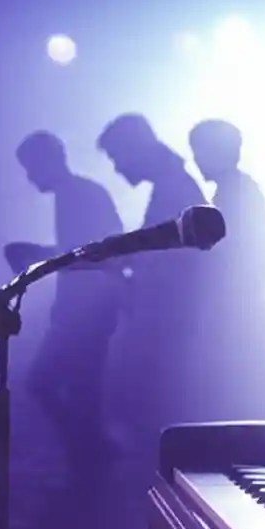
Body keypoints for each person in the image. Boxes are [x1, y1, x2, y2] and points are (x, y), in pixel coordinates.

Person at [13, 131, 124, 472]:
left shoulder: (78, 196)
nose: (30, 178)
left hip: (85, 314)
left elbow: (101, 253)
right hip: (86, 312)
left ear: (49, 161)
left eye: (32, 168)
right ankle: (92, 459)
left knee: (47, 384)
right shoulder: (80, 194)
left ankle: (92, 459)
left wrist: (37, 256)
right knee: (79, 394)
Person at [96, 114, 209, 435]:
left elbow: (171, 263)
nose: (117, 168)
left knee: (157, 417)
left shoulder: (174, 189)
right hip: (167, 321)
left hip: (170, 324)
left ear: (136, 149)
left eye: (117, 157)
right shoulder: (172, 184)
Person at [188, 119, 265, 420]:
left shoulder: (236, 194)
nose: (196, 159)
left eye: (200, 151)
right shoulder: (236, 190)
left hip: (234, 304)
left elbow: (238, 254)